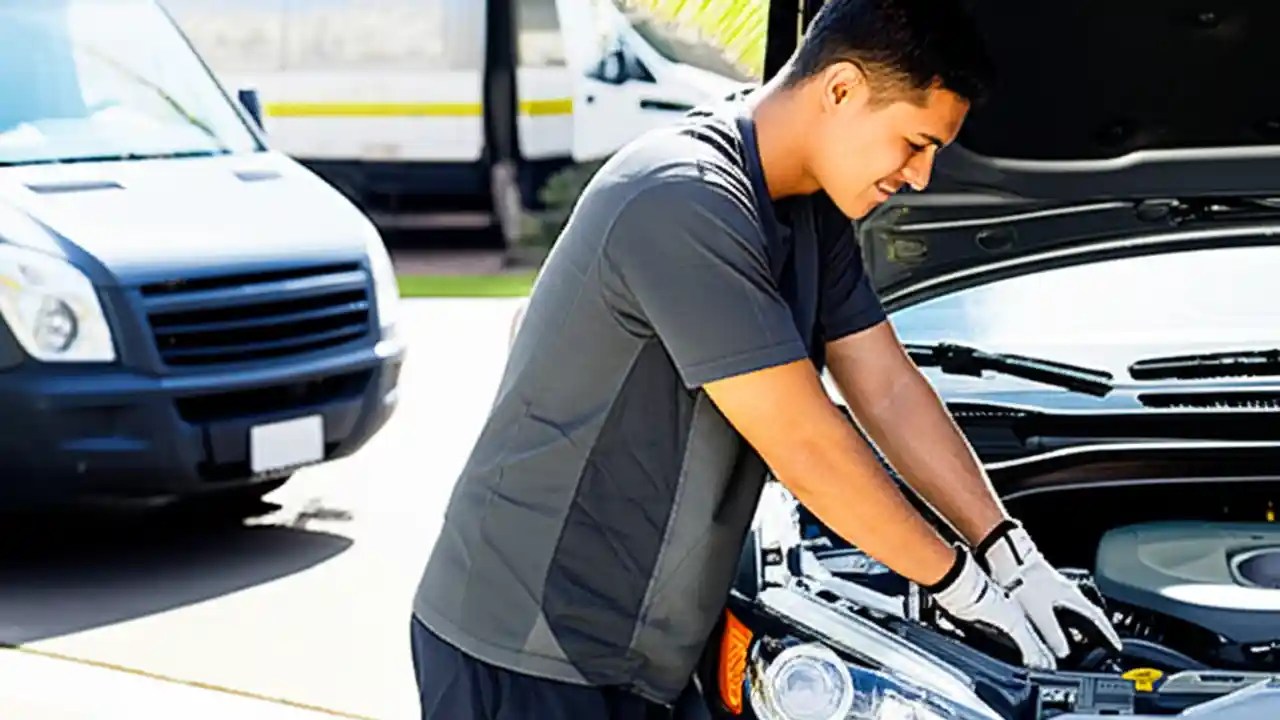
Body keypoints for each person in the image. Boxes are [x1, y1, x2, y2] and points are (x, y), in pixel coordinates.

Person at [409, 0, 1122, 717]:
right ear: (840, 89)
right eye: (914, 142)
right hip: (525, 646)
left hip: (640, 654)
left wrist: (1011, 556)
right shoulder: (681, 198)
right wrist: (961, 588)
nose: (921, 177)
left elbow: (888, 389)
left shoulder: (811, 209)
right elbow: (806, 445)